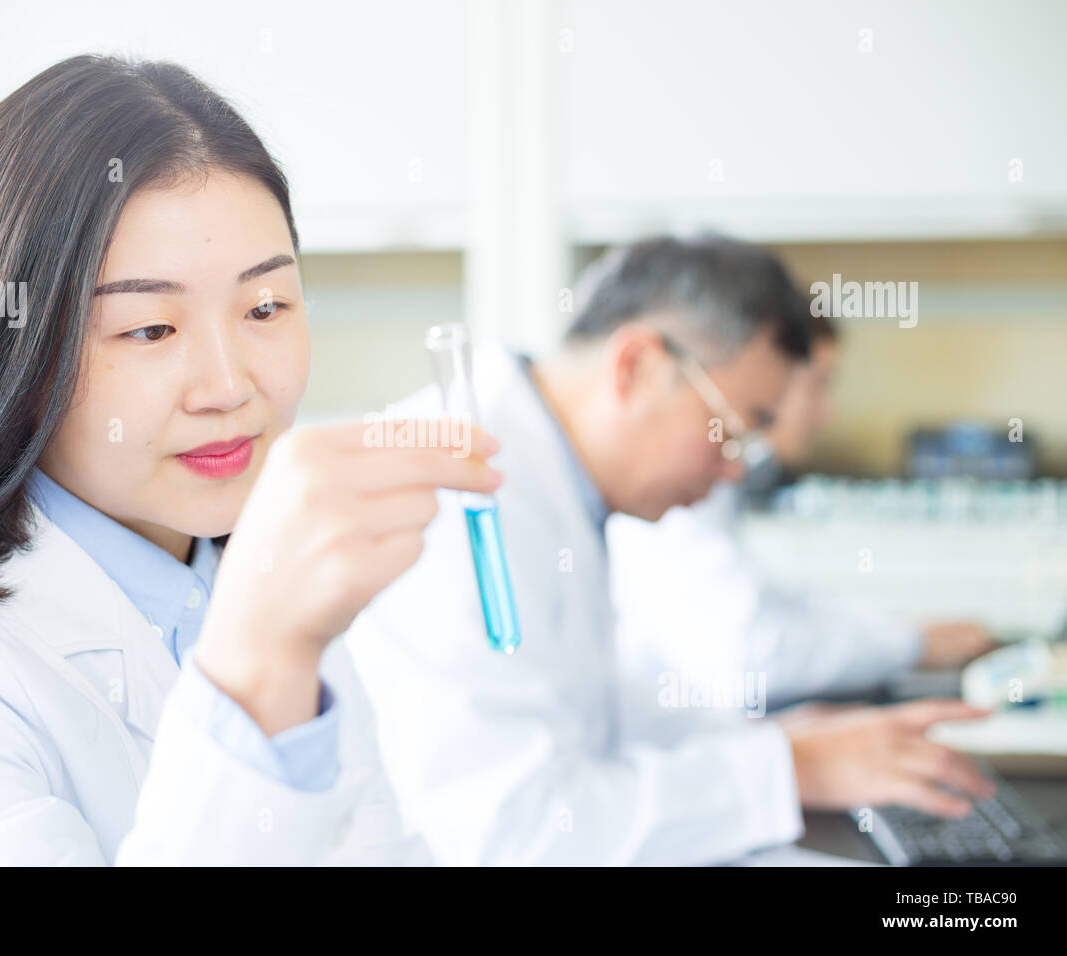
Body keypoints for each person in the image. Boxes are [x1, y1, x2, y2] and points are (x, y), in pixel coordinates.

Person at [0, 55, 499, 865]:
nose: (230, 386)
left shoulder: (257, 583)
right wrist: (255, 670)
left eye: (265, 307)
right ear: (16, 355)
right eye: (150, 329)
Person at [345, 235, 994, 866]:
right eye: (735, 429)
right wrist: (784, 768)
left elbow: (584, 711)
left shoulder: (556, 480)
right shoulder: (462, 498)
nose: (736, 469)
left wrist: (769, 745)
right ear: (637, 368)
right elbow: (515, 833)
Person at [607, 307, 995, 707]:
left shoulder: (719, 480)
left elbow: (773, 607)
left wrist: (907, 636)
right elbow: (744, 655)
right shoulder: (681, 484)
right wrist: (909, 645)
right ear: (766, 379)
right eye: (817, 384)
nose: (826, 413)